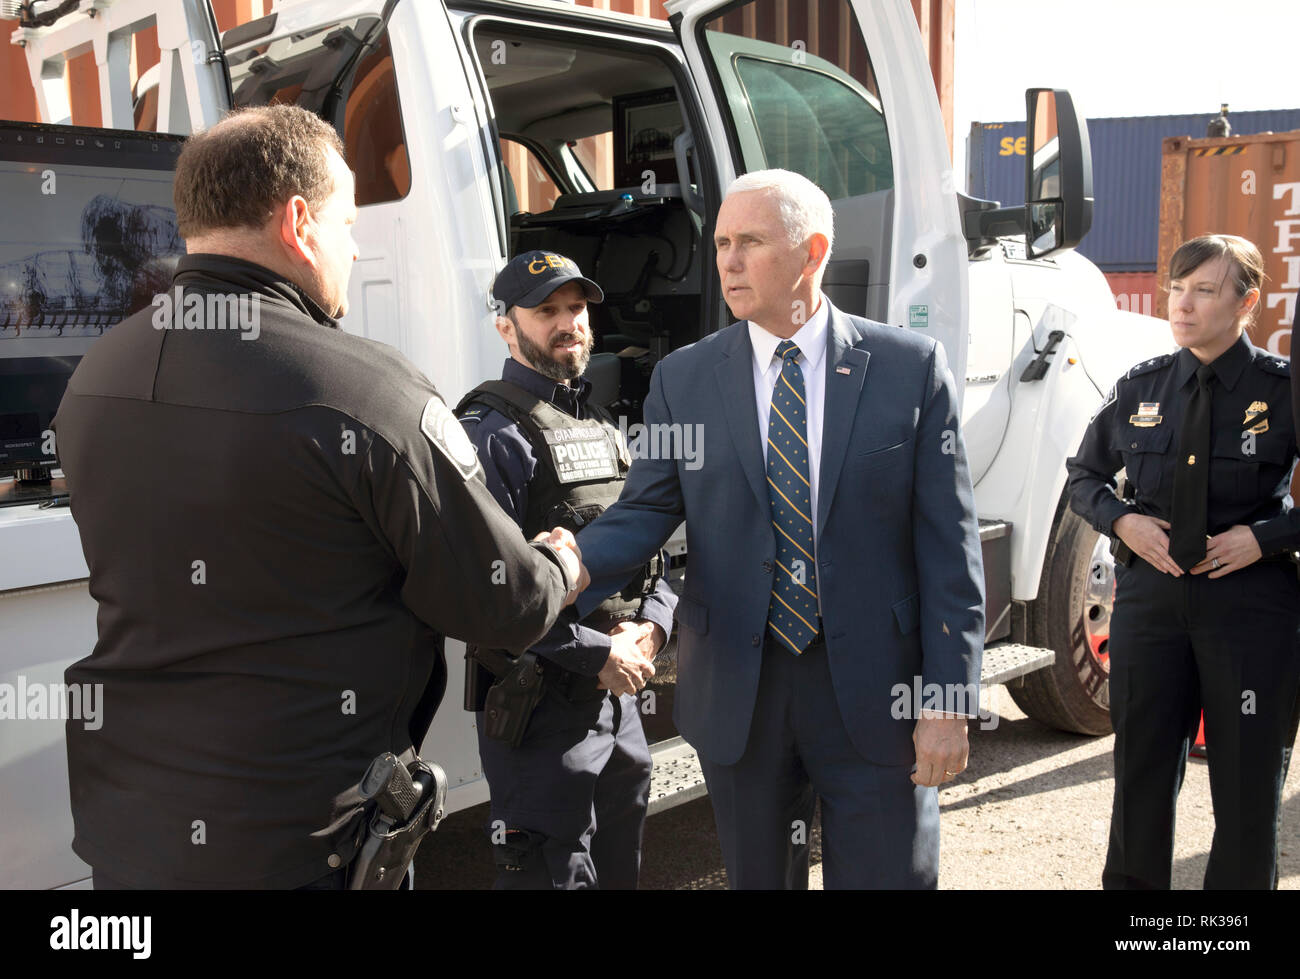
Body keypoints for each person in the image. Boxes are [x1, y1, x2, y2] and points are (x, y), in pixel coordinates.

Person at [51, 105, 585, 889]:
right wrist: (559, 564)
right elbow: (499, 601)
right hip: (306, 843)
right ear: (300, 222)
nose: (358, 244)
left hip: (134, 832)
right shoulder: (366, 390)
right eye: (349, 220)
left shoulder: (96, 376)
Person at [569, 169, 985, 889]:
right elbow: (644, 510)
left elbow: (950, 545)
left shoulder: (908, 369)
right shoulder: (683, 380)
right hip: (741, 695)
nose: (727, 260)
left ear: (812, 250)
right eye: (722, 241)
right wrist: (566, 566)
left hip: (876, 693)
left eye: (750, 241)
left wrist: (948, 702)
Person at [1067, 233, 1300, 889]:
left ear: (1246, 301)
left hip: (1251, 612)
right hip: (1151, 611)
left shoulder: (1281, 391)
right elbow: (1082, 475)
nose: (1184, 304)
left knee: (1249, 783)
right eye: (1178, 288)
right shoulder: (1141, 386)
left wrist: (1268, 536)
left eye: (1204, 290)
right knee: (1139, 773)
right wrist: (1124, 519)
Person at [454, 251, 676, 888]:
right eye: (546, 310)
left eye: (576, 308)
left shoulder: (603, 428)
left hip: (618, 701)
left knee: (617, 872)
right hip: (538, 711)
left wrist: (652, 629)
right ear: (506, 327)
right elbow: (485, 595)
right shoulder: (487, 435)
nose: (567, 323)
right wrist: (594, 654)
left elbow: (649, 549)